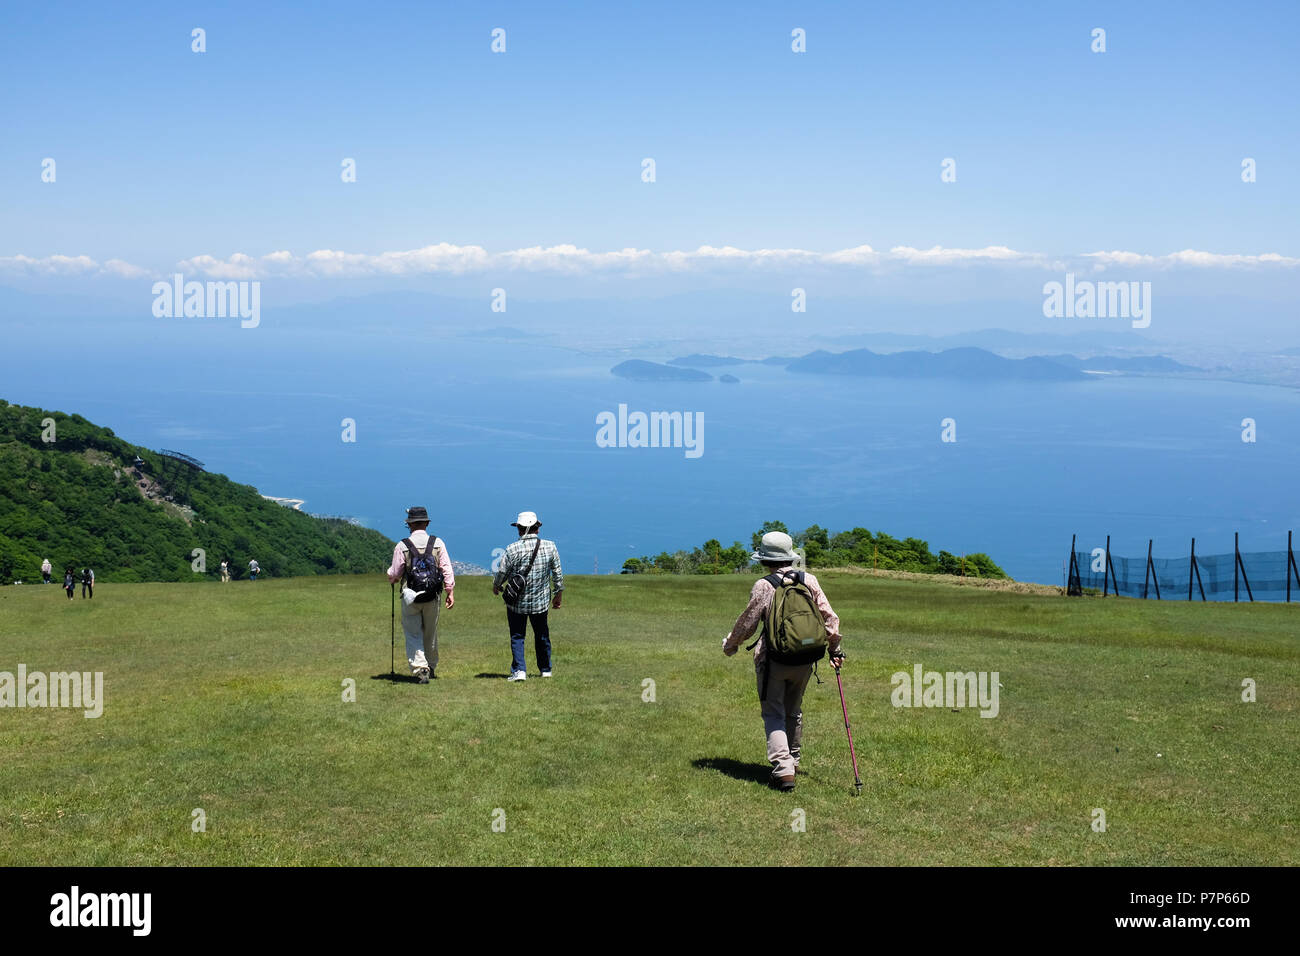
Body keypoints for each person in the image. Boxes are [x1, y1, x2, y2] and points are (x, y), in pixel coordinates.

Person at [722, 531, 843, 792]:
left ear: (764, 559)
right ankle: (794, 760)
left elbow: (748, 623)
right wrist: (835, 650)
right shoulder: (808, 579)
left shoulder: (764, 585)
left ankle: (783, 771)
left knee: (774, 713)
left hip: (773, 659)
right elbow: (830, 618)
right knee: (793, 710)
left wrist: (731, 645)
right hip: (806, 658)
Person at [386, 506, 456, 684]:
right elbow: (446, 569)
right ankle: (431, 666)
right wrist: (450, 591)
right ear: (426, 523)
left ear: (409, 524)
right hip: (433, 595)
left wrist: (390, 576)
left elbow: (395, 574)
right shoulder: (438, 543)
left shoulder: (402, 546)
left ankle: (420, 668)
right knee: (430, 632)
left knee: (413, 632)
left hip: (410, 595)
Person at [492, 511, 563, 682]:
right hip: (541, 602)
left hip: (517, 603)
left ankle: (519, 670)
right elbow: (557, 574)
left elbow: (502, 572)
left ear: (520, 529)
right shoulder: (550, 546)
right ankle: (545, 669)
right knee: (542, 634)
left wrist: (496, 585)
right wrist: (558, 594)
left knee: (517, 636)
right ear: (537, 529)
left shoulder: (511, 549)